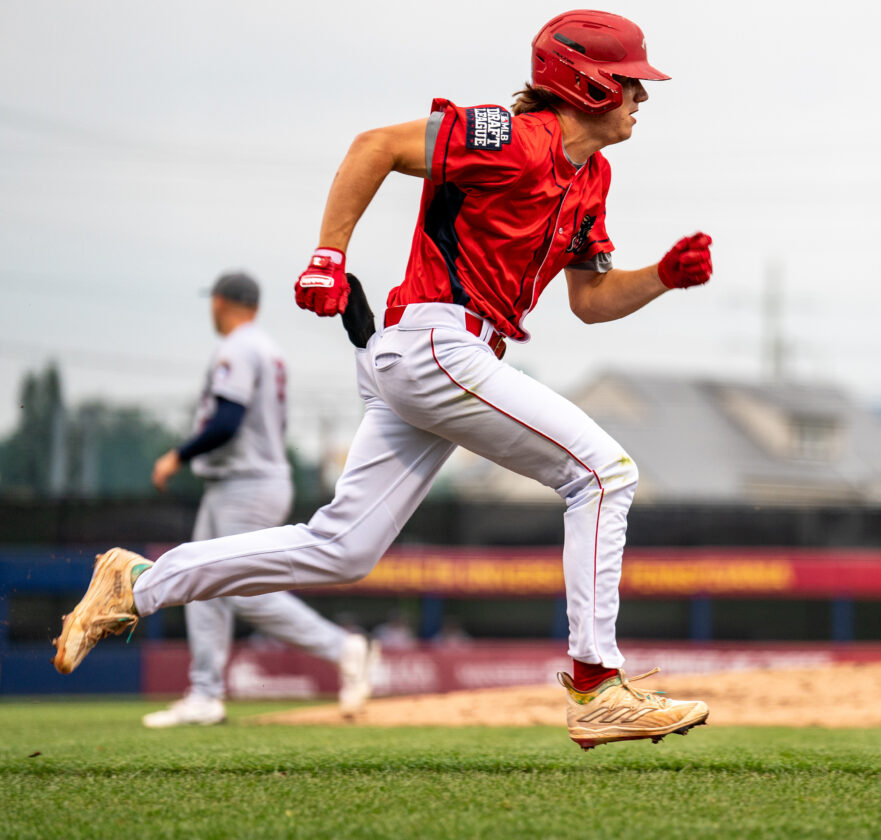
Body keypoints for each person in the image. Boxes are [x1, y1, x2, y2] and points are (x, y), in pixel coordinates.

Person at [53, 11, 712, 750]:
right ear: (586, 82)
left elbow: (590, 301)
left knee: (342, 549)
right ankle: (596, 689)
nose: (640, 99)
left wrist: (661, 277)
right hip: (438, 342)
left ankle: (138, 583)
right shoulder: (510, 134)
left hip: (443, 358)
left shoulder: (591, 175)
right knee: (601, 475)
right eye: (629, 83)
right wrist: (329, 254)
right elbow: (376, 146)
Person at [140, 271, 377, 725]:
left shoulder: (239, 348)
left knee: (240, 587)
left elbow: (227, 420)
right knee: (203, 582)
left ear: (221, 302)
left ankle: (344, 649)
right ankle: (206, 693)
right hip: (243, 479)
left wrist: (178, 456)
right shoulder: (264, 347)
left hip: (247, 481)